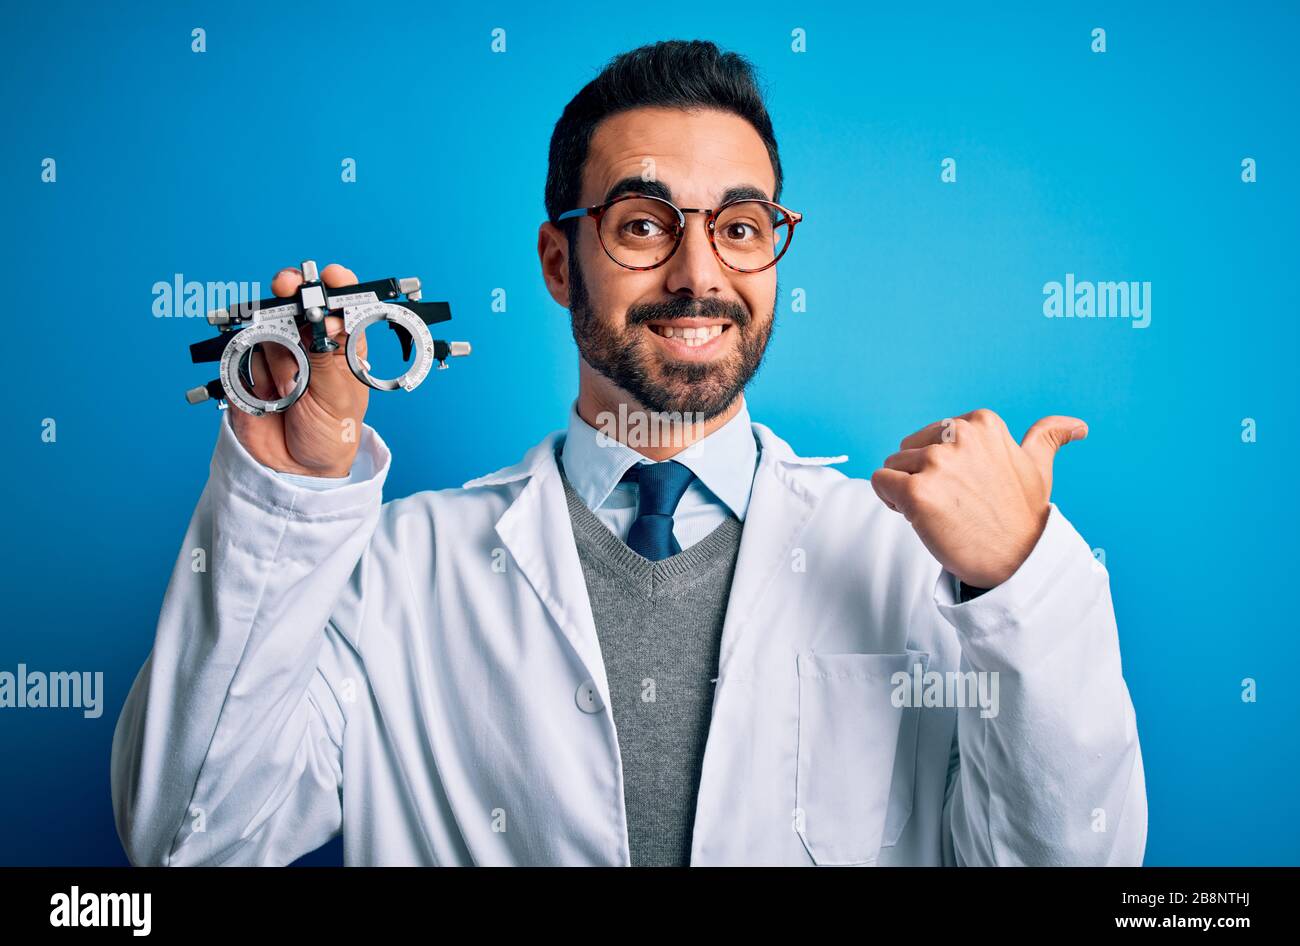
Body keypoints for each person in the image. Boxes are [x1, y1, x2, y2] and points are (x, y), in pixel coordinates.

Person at [111, 39, 1146, 866]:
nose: (699, 274)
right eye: (644, 224)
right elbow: (187, 838)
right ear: (559, 261)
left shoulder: (914, 566)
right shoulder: (396, 573)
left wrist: (1018, 580)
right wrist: (285, 500)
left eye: (741, 228)